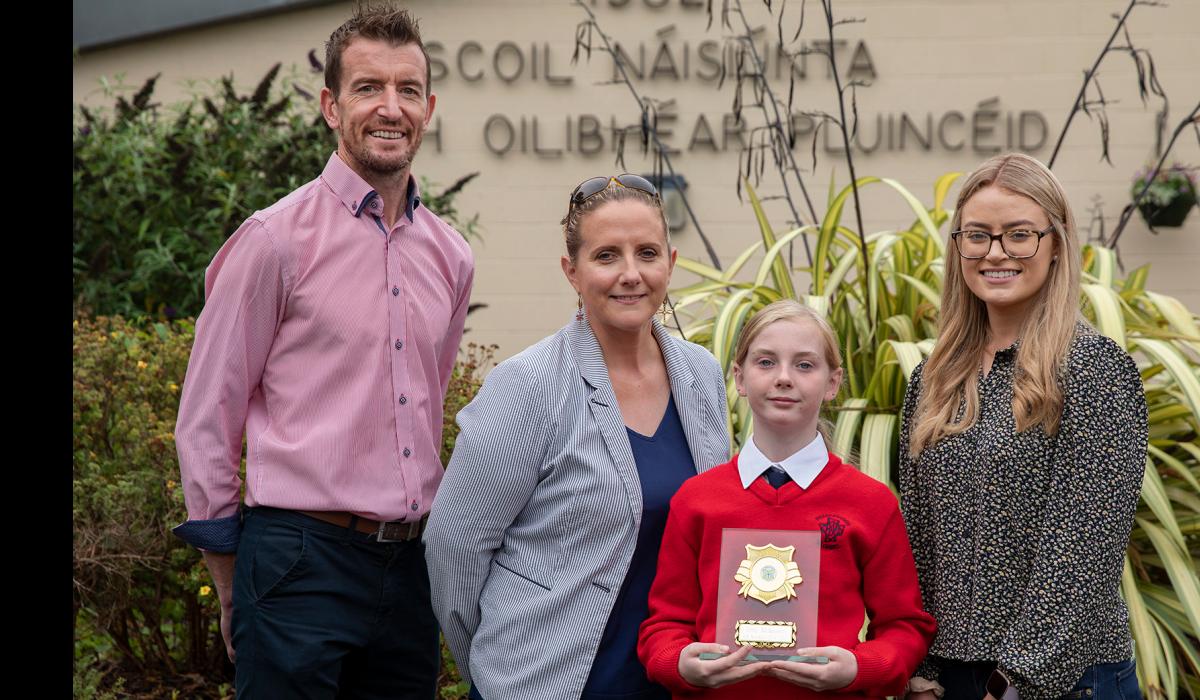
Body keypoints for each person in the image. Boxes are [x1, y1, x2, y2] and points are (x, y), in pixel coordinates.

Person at [171, 5, 473, 698]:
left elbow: (428, 408)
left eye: (406, 90)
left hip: (409, 570)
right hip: (296, 561)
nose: (388, 108)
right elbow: (207, 417)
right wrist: (228, 573)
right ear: (331, 107)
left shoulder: (452, 258)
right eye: (368, 88)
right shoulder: (273, 241)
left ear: (428, 108)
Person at [423, 174, 730, 700]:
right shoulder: (529, 385)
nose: (630, 274)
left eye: (647, 253)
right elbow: (454, 543)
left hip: (670, 679)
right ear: (572, 271)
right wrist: (496, 664)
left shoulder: (700, 374)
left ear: (671, 264)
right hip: (546, 681)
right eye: (607, 255)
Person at [898, 153, 1148, 700]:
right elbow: (917, 534)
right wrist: (920, 663)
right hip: (949, 678)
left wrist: (1015, 681)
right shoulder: (933, 378)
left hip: (1062, 680)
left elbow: (1083, 549)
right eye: (978, 235)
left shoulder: (1092, 371)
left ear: (1056, 243)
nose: (996, 252)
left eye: (1019, 235)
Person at [637, 299, 937, 698]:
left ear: (833, 383)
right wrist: (676, 661)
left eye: (804, 365)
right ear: (739, 379)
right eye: (765, 362)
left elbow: (905, 626)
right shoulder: (696, 500)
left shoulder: (870, 503)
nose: (783, 378)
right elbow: (664, 625)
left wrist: (861, 667)